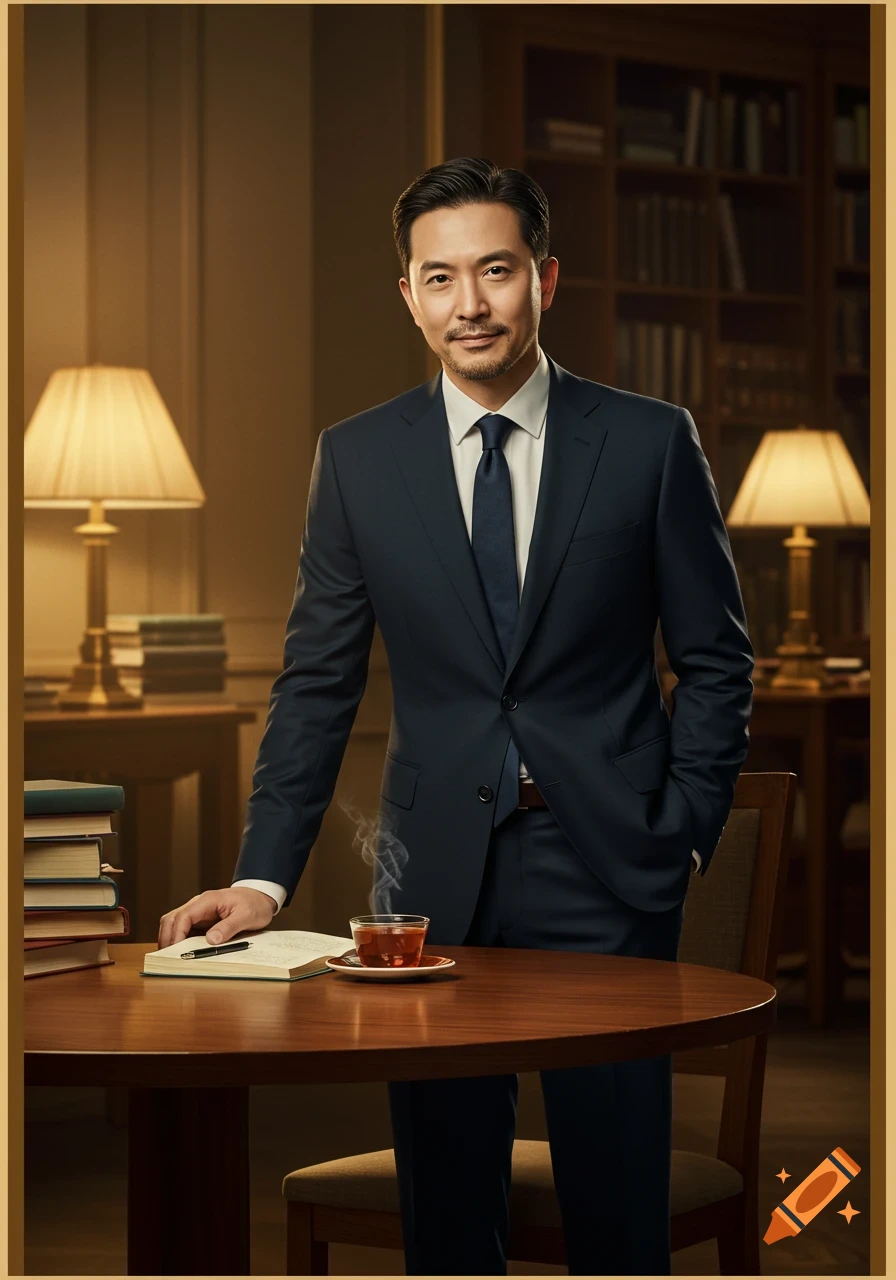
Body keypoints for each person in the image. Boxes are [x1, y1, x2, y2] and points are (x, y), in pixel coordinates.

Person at [158, 156, 754, 1275]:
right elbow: (315, 683)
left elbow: (717, 659)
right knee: (445, 1206)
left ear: (544, 278)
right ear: (408, 295)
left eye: (494, 270)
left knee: (615, 1200)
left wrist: (679, 820)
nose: (467, 304)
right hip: (427, 881)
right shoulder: (357, 457)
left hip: (611, 862)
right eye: (439, 278)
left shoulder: (644, 440)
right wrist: (261, 876)